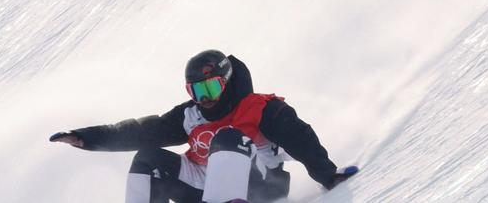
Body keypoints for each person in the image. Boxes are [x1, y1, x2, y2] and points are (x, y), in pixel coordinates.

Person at [50, 50, 357, 203]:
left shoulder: (261, 108)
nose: (204, 99)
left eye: (210, 89)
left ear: (225, 83)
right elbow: (141, 130)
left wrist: (328, 175)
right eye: (196, 92)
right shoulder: (190, 116)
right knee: (147, 156)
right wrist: (86, 138)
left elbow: (301, 139)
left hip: (259, 187)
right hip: (206, 189)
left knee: (226, 137)